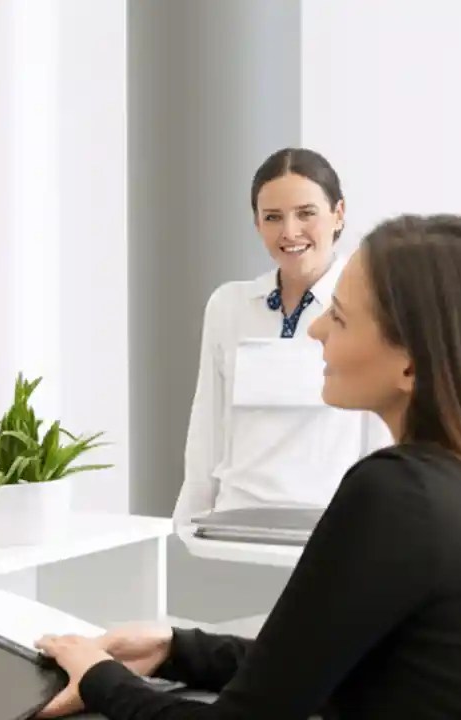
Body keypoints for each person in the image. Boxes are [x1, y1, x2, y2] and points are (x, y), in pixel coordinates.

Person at [37, 214, 461, 718]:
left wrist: (100, 680)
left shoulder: (401, 495)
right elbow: (352, 661)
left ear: (411, 365)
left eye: (341, 318)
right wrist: (179, 649)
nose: (317, 329)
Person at [174, 148, 391, 526]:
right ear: (257, 224)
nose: (289, 232)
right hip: (232, 523)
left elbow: (380, 442)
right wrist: (185, 532)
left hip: (329, 529)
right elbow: (206, 431)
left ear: (338, 215)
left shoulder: (373, 305)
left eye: (306, 213)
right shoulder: (229, 305)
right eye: (273, 217)